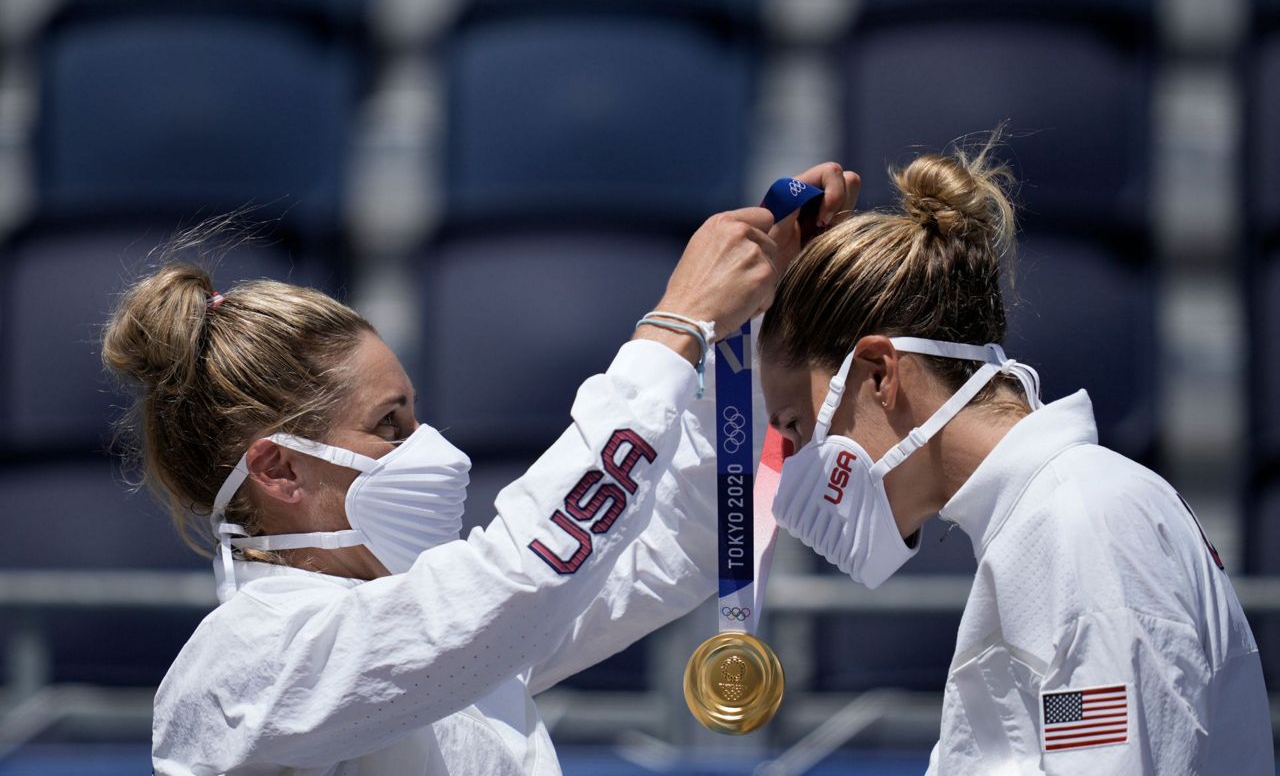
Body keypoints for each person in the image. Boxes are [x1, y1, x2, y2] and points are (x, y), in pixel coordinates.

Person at [102, 165, 860, 775]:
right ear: (280, 472)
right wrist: (674, 328)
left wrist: (766, 322)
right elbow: (526, 575)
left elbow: (678, 543)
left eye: (415, 415)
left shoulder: (433, 624)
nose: (431, 448)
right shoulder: (247, 661)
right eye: (389, 425)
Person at [758, 136, 1273, 773]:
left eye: (795, 424)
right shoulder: (1052, 520)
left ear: (880, 375)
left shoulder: (1083, 521)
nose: (791, 459)